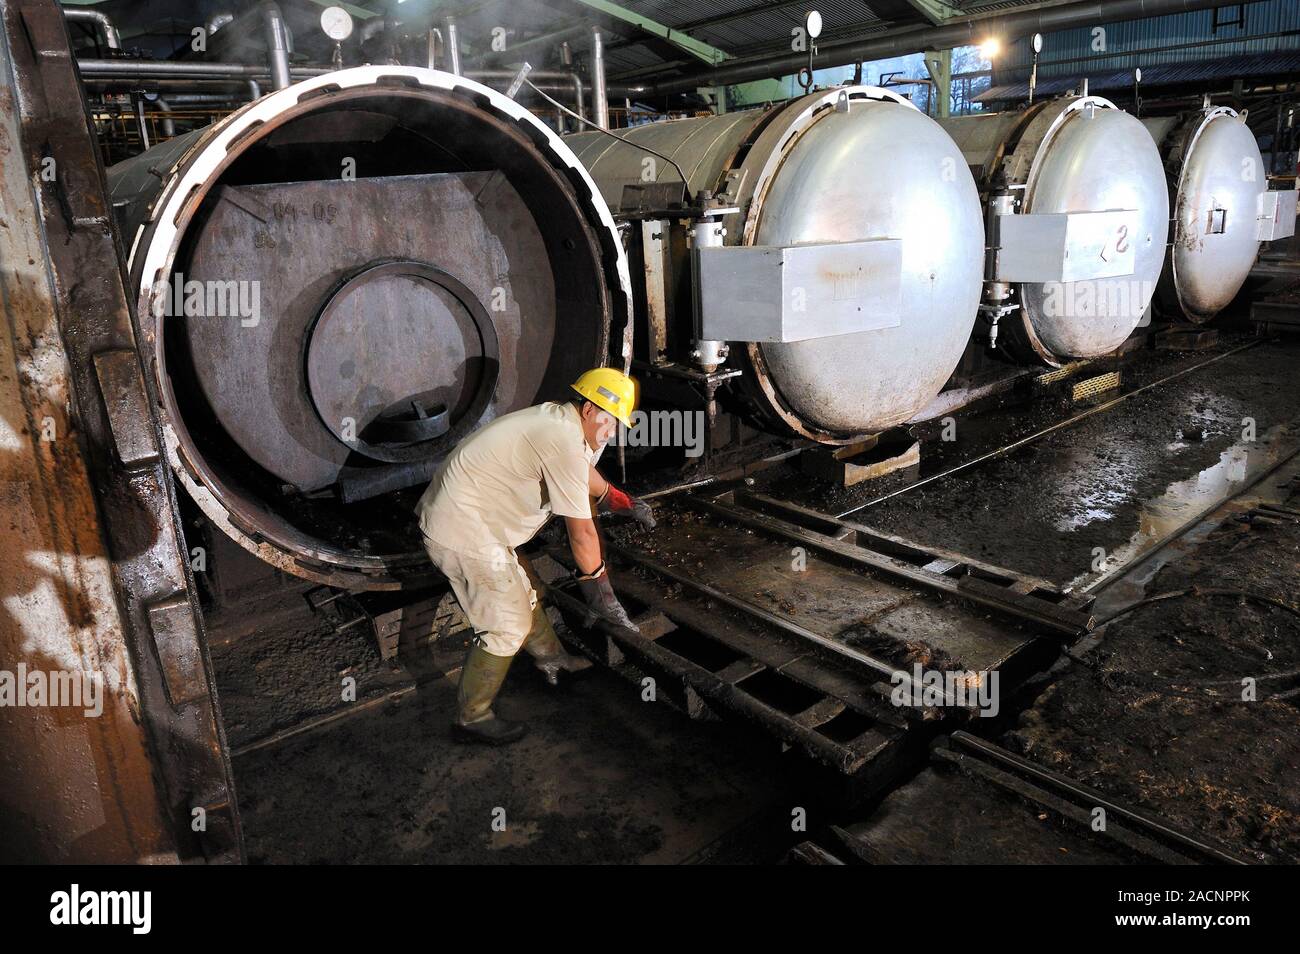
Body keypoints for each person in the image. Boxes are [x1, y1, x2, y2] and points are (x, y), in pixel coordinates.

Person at [416, 367, 655, 745]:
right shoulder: (560, 437)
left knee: (524, 593)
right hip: (463, 531)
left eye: (618, 425)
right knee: (505, 626)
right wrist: (601, 595)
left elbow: (583, 472)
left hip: (480, 524)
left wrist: (618, 500)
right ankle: (471, 719)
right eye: (608, 421)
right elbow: (582, 532)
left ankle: (553, 659)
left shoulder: (567, 424)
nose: (611, 432)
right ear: (590, 409)